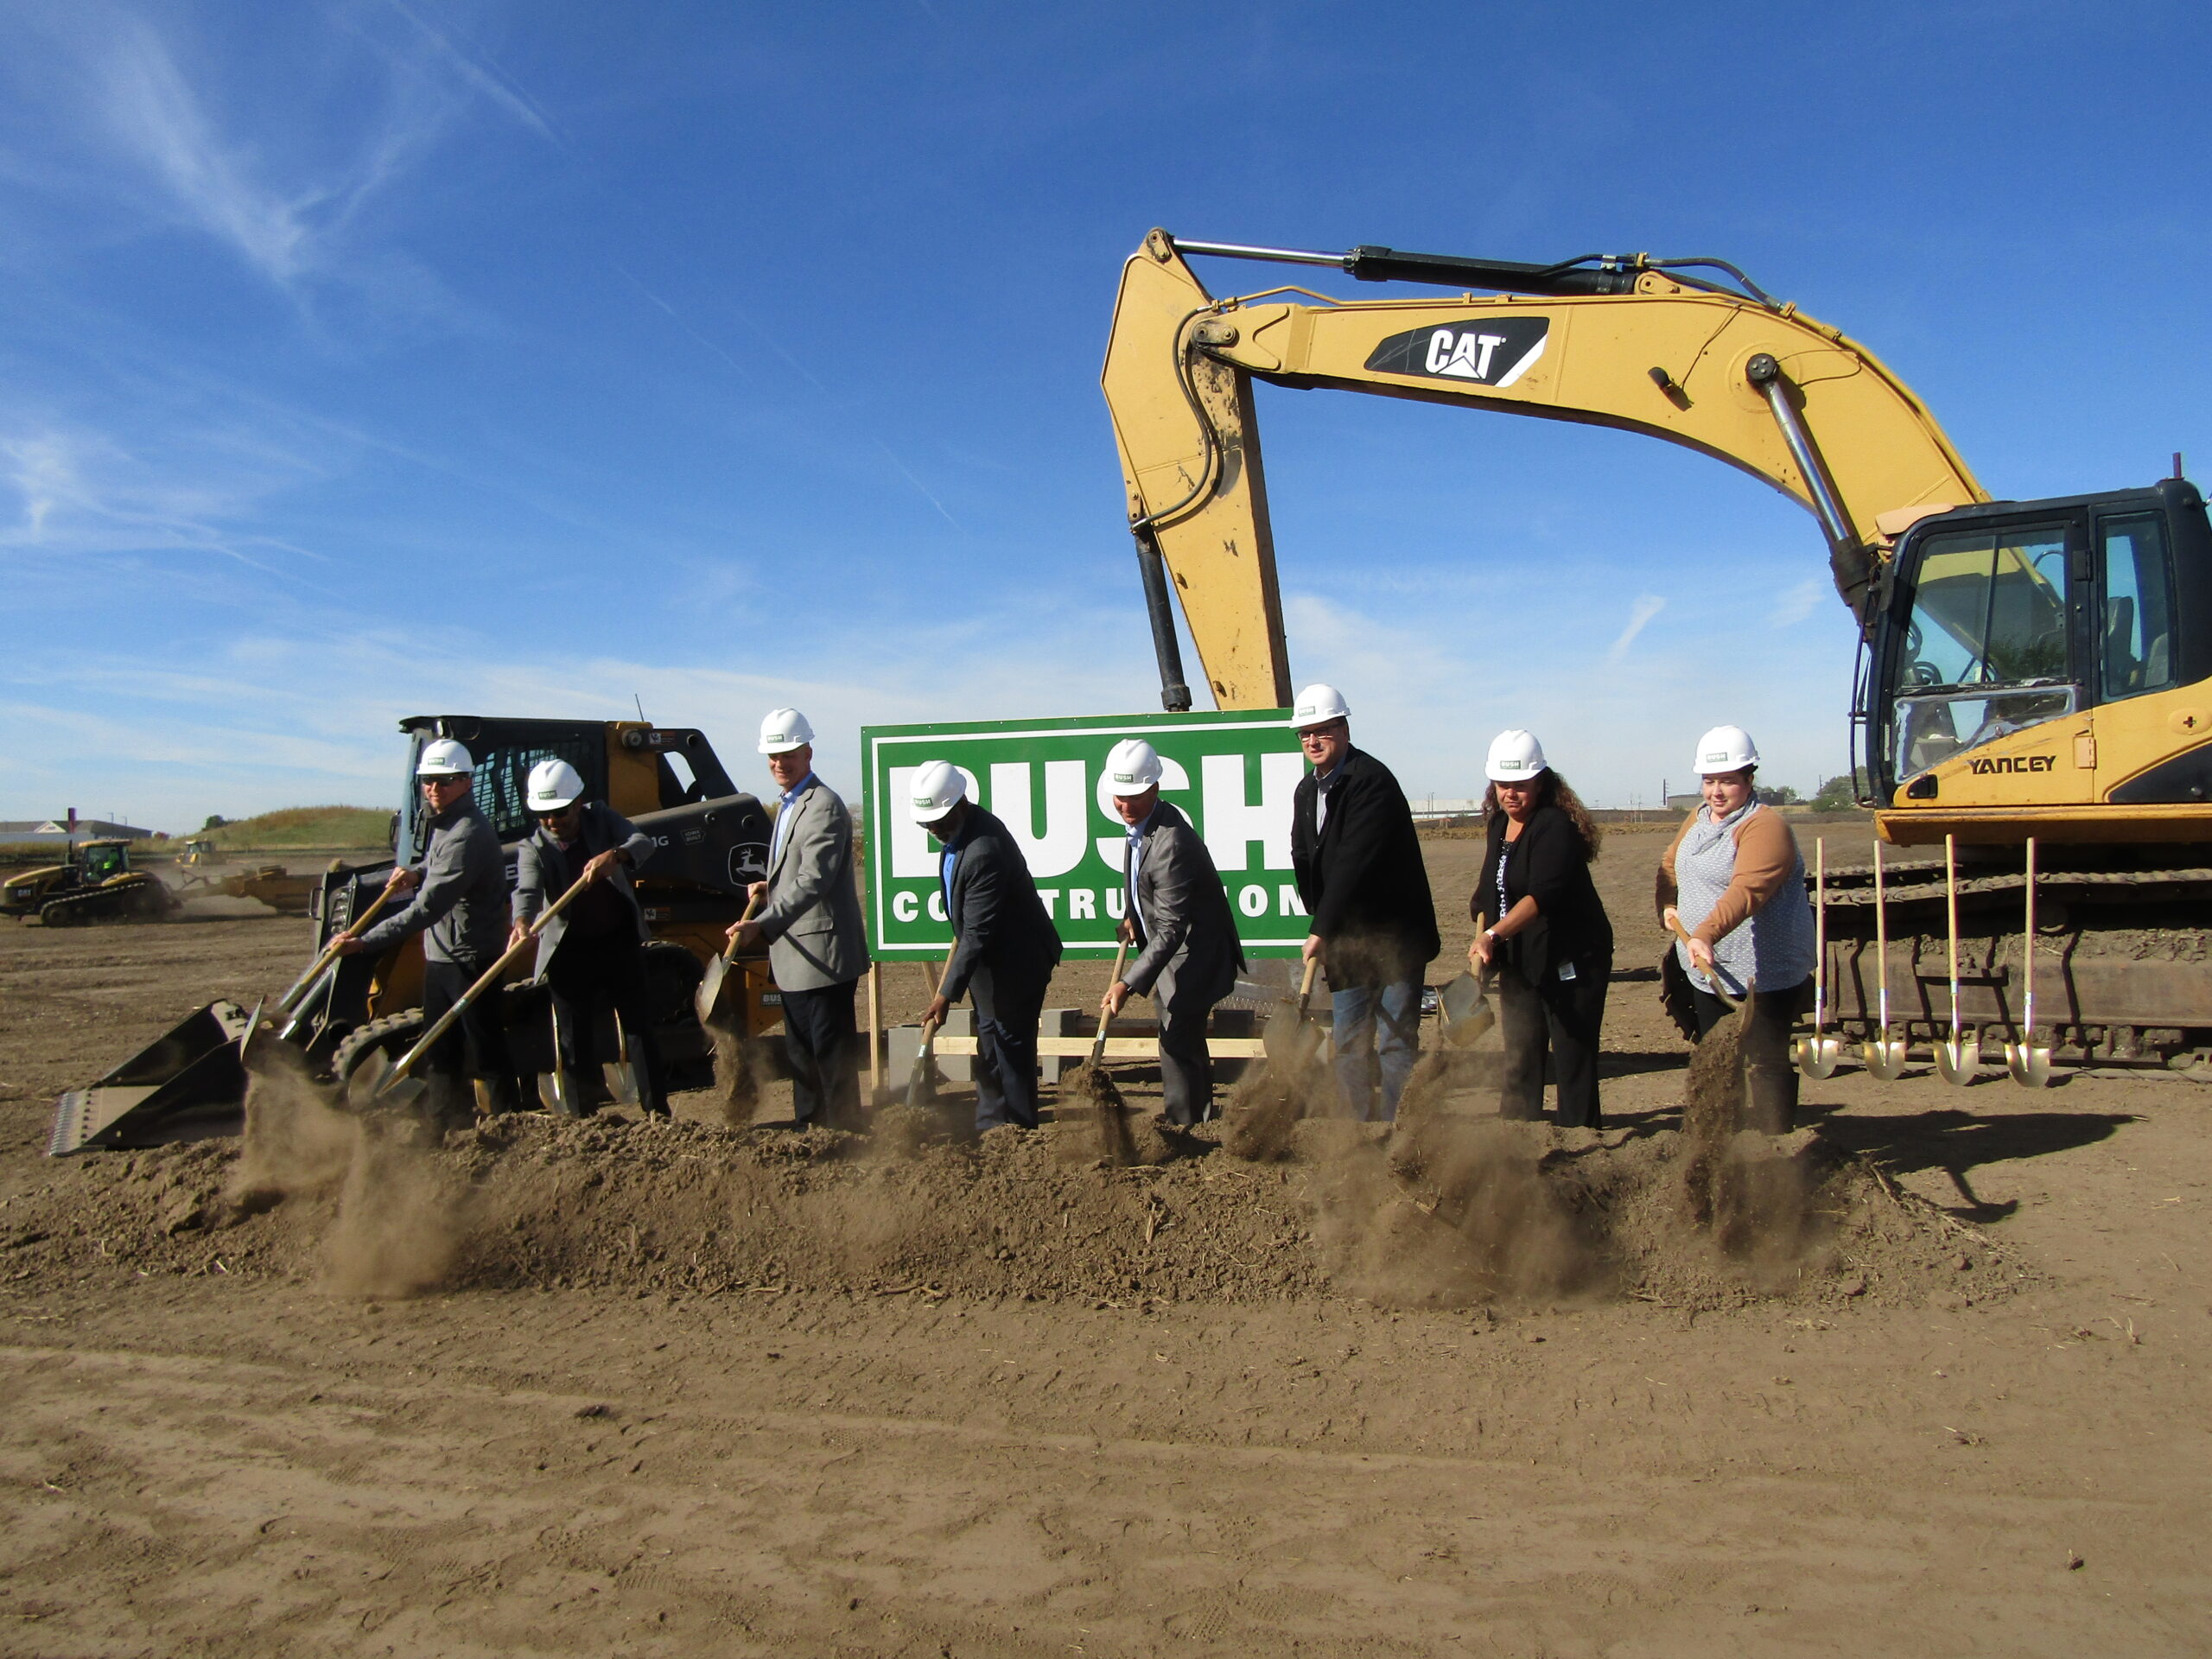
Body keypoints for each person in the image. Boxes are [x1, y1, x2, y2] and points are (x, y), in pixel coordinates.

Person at [339, 737, 521, 1126]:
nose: (434, 788)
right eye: (428, 781)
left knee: (486, 1049)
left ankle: (511, 1125)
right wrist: (418, 872)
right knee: (439, 1050)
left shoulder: (467, 833)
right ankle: (442, 1126)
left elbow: (428, 907)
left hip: (471, 957)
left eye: (444, 780)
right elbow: (435, 870)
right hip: (441, 955)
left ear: (467, 782)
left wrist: (364, 942)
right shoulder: (446, 824)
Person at [1288, 683, 1440, 1122]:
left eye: (1323, 730)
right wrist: (1320, 917)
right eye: (1305, 733)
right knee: (1349, 1039)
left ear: (1344, 728)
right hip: (1346, 939)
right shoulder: (1306, 790)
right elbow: (1303, 856)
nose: (1313, 741)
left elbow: (1355, 861)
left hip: (1394, 937)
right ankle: (1355, 1132)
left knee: (1395, 1040)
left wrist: (1320, 927)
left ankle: (1401, 1132)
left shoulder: (1372, 782)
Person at [1656, 723, 1818, 1134]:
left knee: (1765, 1059)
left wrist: (1705, 933)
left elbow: (1747, 890)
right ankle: (1720, 1145)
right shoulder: (1698, 817)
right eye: (1709, 781)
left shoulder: (1766, 827)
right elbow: (1671, 862)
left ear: (1749, 779)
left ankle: (1775, 1143)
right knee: (1716, 1057)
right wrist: (1668, 903)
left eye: (1728, 781)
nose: (1716, 791)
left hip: (1763, 972)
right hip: (1707, 966)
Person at [725, 709, 868, 1129]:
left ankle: (846, 1135)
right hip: (795, 957)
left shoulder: (822, 804)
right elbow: (796, 872)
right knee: (801, 1054)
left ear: (807, 751)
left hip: (824, 954)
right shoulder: (789, 805)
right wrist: (768, 888)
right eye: (772, 755)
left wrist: (765, 922)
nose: (778, 763)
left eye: (787, 754)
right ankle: (811, 1133)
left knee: (831, 1056)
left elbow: (815, 879)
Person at [1470, 731, 1614, 1128]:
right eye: (1503, 785)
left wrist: (1494, 934)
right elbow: (1492, 885)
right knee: (1520, 1054)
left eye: (1520, 785)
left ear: (1540, 781)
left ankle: (1582, 1140)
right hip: (1523, 956)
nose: (1510, 794)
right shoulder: (1499, 824)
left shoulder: (1554, 827)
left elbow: (1540, 897)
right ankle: (1517, 1139)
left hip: (1572, 957)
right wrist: (1482, 919)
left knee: (1572, 1056)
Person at [509, 758, 665, 1118]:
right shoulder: (533, 847)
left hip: (618, 942)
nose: (552, 823)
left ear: (578, 803)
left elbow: (642, 841)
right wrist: (522, 922)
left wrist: (616, 855)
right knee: (574, 1037)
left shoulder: (601, 818)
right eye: (544, 815)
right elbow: (528, 890)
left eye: (560, 813)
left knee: (639, 1027)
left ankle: (657, 1113)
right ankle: (584, 1119)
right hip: (569, 951)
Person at [912, 760, 1062, 1132]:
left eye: (939, 821)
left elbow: (977, 933)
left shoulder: (984, 850)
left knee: (1009, 1050)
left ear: (960, 803)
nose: (933, 829)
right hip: (988, 966)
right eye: (926, 823)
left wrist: (945, 996)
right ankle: (992, 1126)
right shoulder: (959, 832)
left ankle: (1019, 1133)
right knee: (990, 1047)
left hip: (1015, 965)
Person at [1101, 739, 1244, 1126]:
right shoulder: (1142, 826)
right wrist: (1133, 917)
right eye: (1119, 796)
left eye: (1134, 796)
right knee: (1182, 1037)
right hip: (1174, 954)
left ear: (1155, 789)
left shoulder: (1170, 840)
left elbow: (1170, 928)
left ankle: (1185, 1120)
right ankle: (1195, 1115)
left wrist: (1126, 985)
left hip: (1194, 955)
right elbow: (1147, 892)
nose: (1125, 805)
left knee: (1177, 1034)